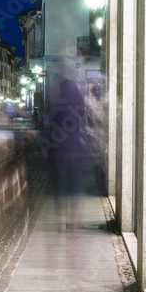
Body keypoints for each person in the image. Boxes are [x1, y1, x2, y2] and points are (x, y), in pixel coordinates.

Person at [49, 78, 88, 234]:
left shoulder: (58, 106)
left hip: (61, 150)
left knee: (62, 187)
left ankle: (63, 223)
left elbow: (52, 128)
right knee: (77, 187)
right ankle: (76, 224)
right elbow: (84, 125)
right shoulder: (80, 107)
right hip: (77, 151)